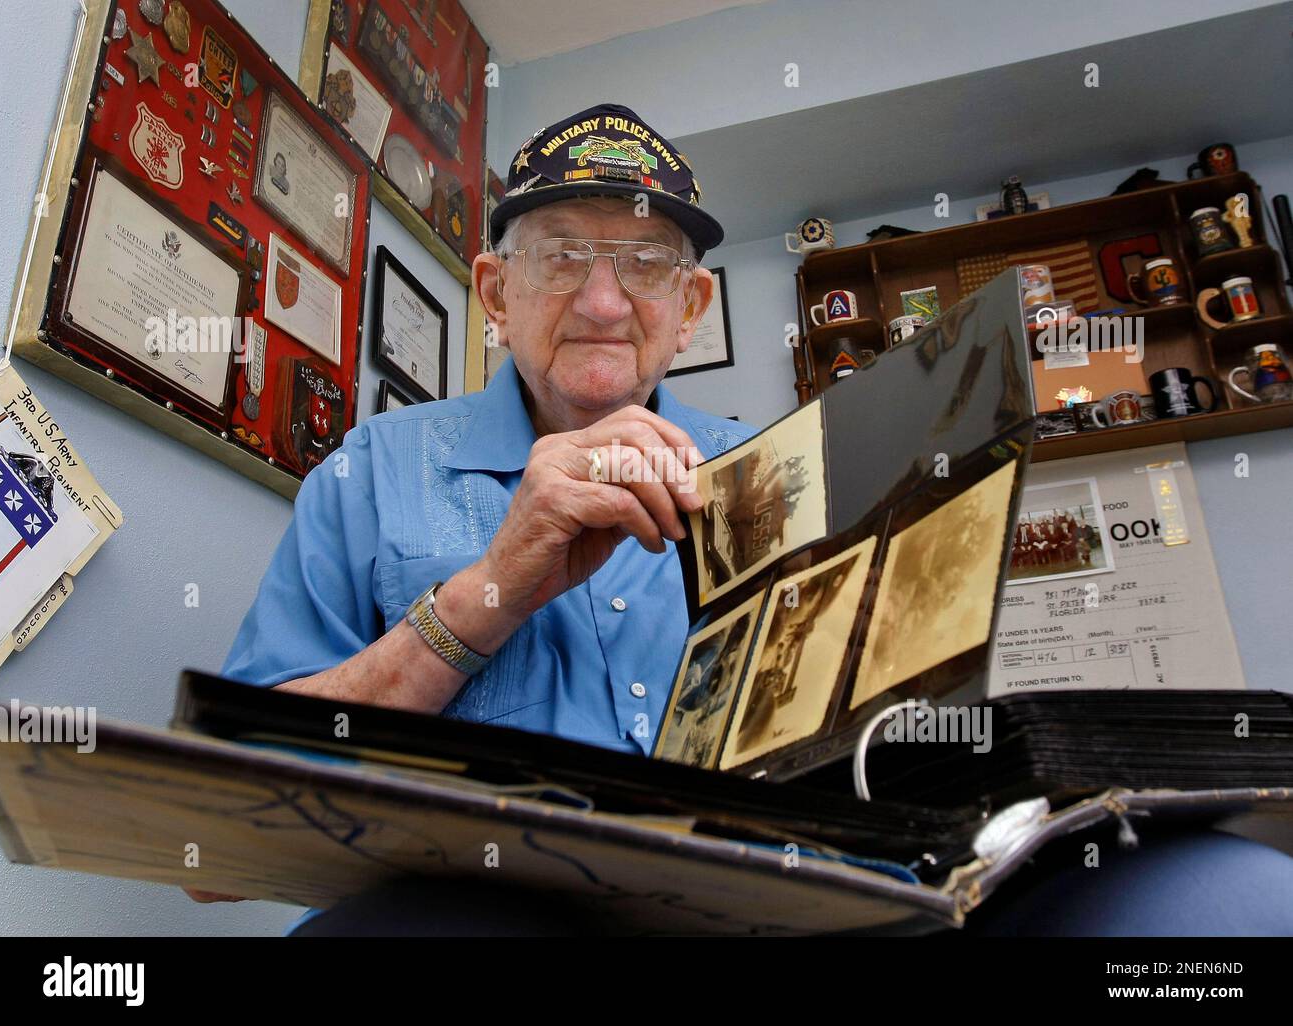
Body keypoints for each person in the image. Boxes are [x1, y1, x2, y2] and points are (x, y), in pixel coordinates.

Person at [196, 102, 1293, 937]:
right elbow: (220, 840)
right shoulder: (370, 471)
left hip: (812, 910)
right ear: (492, 291)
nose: (602, 300)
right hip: (495, 913)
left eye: (646, 266)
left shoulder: (801, 473)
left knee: (1235, 901)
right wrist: (491, 592)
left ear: (693, 306)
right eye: (560, 256)